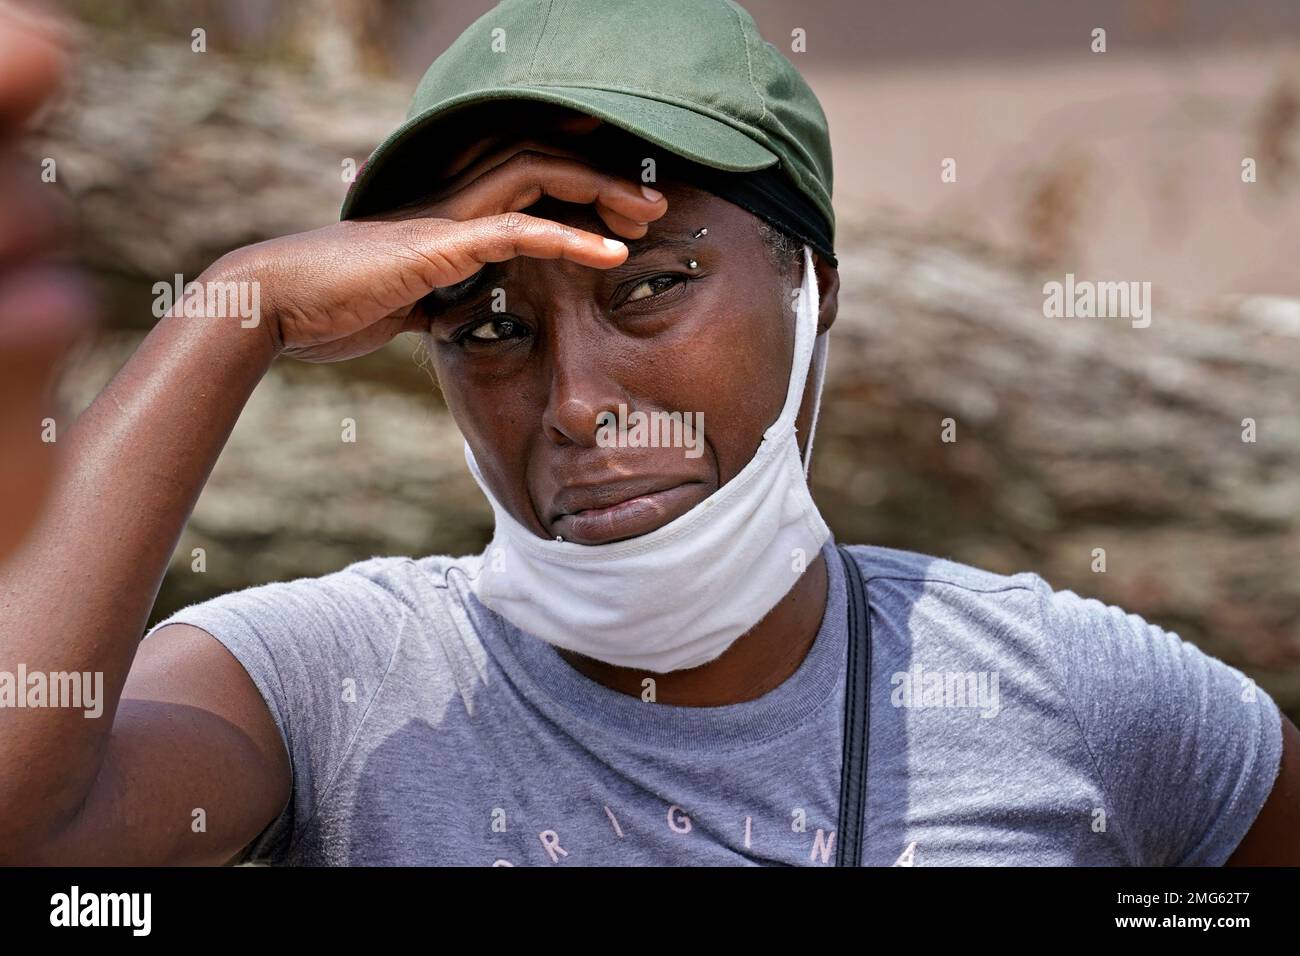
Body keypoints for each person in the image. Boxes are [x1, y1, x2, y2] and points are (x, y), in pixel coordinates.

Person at [2, 0, 1297, 867]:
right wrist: (240, 305)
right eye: (491, 328)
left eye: (652, 286)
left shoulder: (1073, 696)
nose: (574, 401)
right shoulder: (333, 684)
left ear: (812, 287)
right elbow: (27, 823)